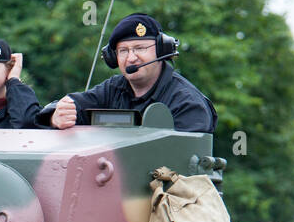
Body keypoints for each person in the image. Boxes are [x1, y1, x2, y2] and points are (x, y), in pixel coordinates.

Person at [36, 13, 216, 133]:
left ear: (162, 50)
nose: (131, 58)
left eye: (140, 48)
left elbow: (184, 163)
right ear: (113, 57)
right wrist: (55, 116)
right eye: (123, 51)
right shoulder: (113, 89)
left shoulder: (186, 102)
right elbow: (73, 106)